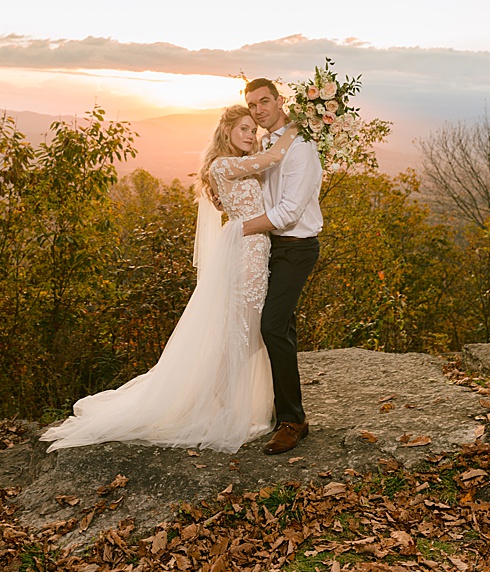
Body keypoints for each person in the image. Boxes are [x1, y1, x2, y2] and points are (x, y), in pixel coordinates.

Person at [43, 107, 300, 452]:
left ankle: (222, 404)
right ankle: (218, 408)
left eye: (253, 130)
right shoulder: (223, 165)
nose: (251, 135)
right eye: (244, 128)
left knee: (248, 334)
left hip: (256, 249)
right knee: (245, 335)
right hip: (247, 254)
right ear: (226, 131)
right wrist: (299, 125)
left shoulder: (233, 165)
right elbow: (273, 156)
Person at [242, 78, 323, 455]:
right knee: (281, 327)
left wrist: (241, 229)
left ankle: (294, 421)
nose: (258, 110)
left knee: (271, 327)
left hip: (298, 247)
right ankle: (283, 412)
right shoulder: (267, 144)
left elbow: (290, 211)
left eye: (264, 102)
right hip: (272, 247)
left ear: (279, 101)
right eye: (252, 104)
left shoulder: (301, 147)